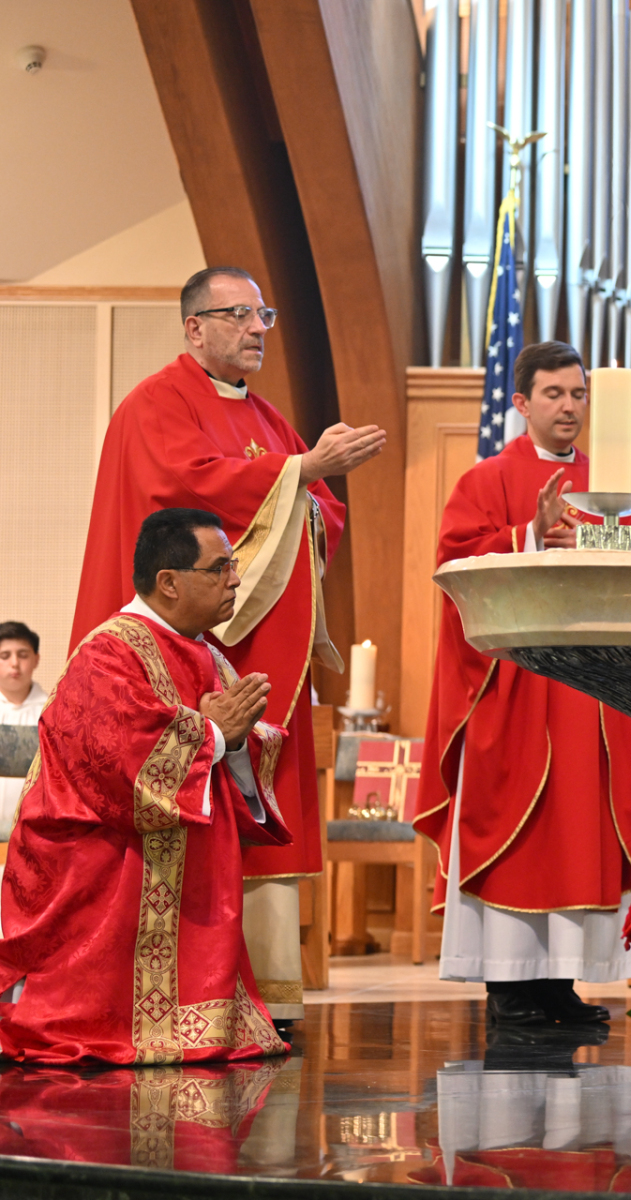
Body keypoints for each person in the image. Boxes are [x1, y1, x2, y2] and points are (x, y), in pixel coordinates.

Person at [70, 266, 386, 1028]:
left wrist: (307, 486)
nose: (256, 329)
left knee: (259, 802)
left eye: (263, 315)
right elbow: (183, 490)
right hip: (182, 648)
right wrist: (301, 473)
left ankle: (262, 995)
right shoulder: (156, 403)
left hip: (261, 653)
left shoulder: (273, 422)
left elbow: (319, 516)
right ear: (194, 328)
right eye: (237, 314)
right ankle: (177, 991)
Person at [415, 341, 631, 1028]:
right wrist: (528, 533)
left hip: (590, 693)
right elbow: (454, 567)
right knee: (521, 831)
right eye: (554, 394)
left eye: (579, 394)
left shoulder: (610, 481)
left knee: (582, 831)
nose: (570, 407)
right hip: (517, 687)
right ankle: (511, 985)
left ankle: (558, 985)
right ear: (520, 404)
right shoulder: (486, 480)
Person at [0, 509, 291, 1064]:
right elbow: (116, 764)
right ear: (169, 582)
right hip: (96, 854)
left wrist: (229, 738)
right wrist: (209, 733)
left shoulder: (207, 653)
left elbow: (231, 741)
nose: (235, 579)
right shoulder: (108, 653)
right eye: (221, 568)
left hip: (180, 862)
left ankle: (197, 1021)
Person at [0, 622, 48, 840]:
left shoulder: (52, 712)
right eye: (4, 656)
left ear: (36, 659)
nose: (14, 664)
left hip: (34, 835)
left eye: (22, 655)